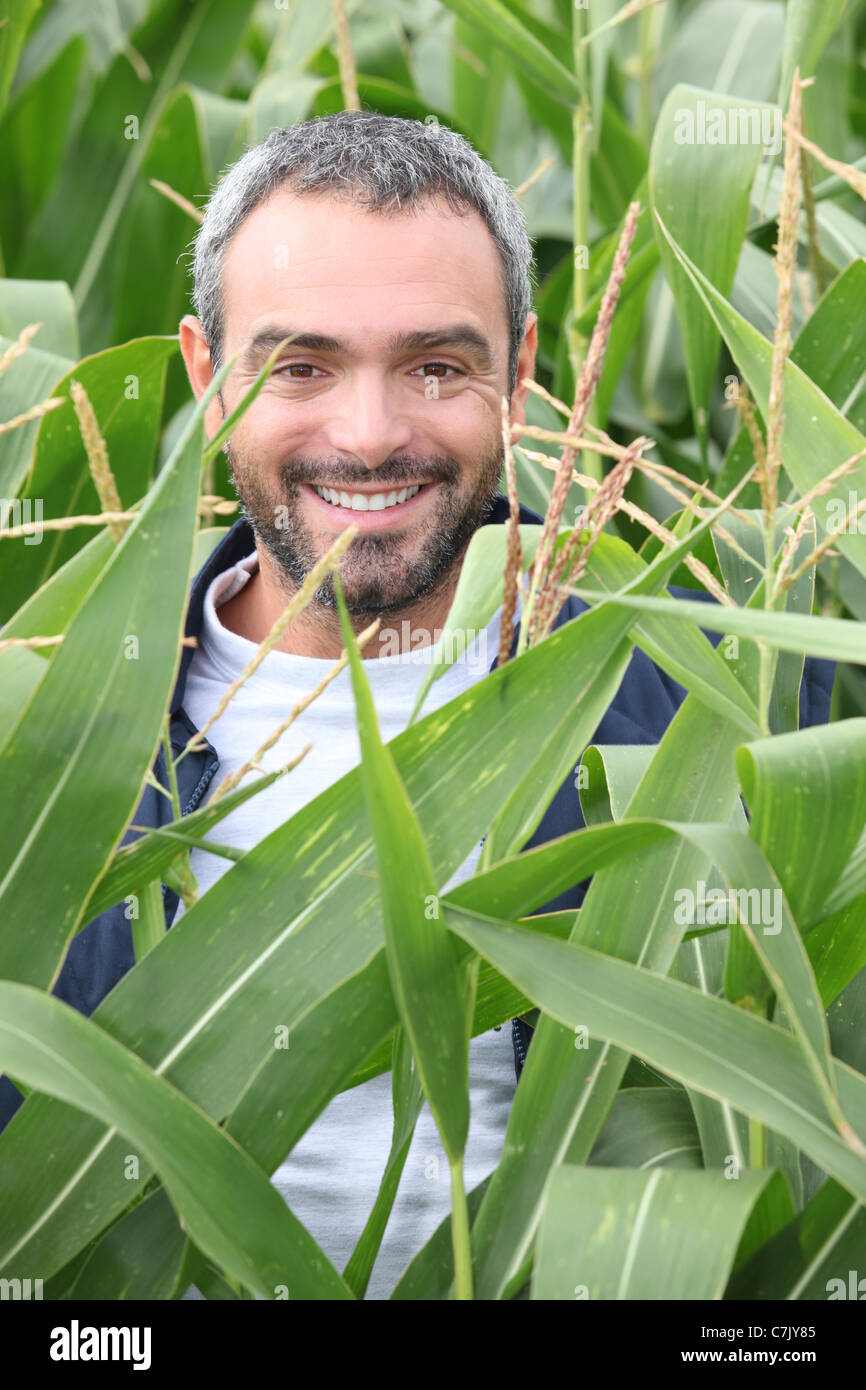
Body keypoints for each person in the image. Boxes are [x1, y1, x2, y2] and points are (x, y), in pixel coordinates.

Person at [0, 111, 834, 1298]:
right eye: (300, 366)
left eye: (437, 366)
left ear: (525, 368)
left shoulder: (711, 689)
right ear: (203, 373)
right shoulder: (51, 733)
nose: (370, 434)